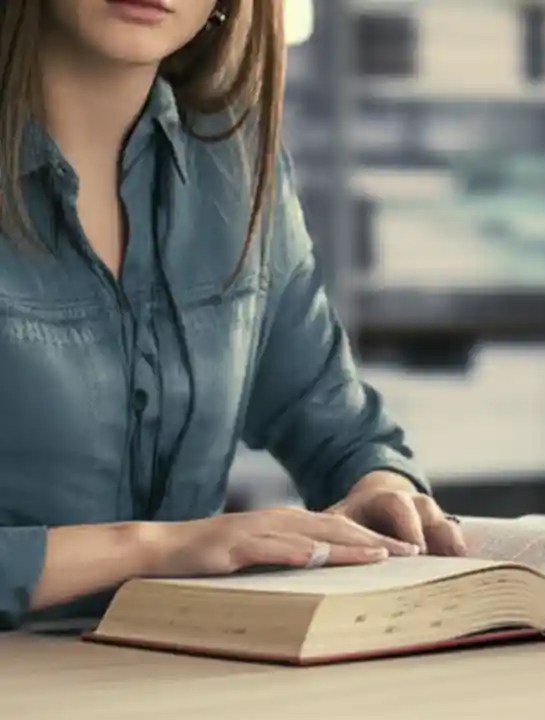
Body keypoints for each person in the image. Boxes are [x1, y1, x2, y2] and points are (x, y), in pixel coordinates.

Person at [0, 0, 467, 630]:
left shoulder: (238, 164)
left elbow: (339, 425)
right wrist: (158, 548)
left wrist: (381, 488)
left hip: (187, 668)